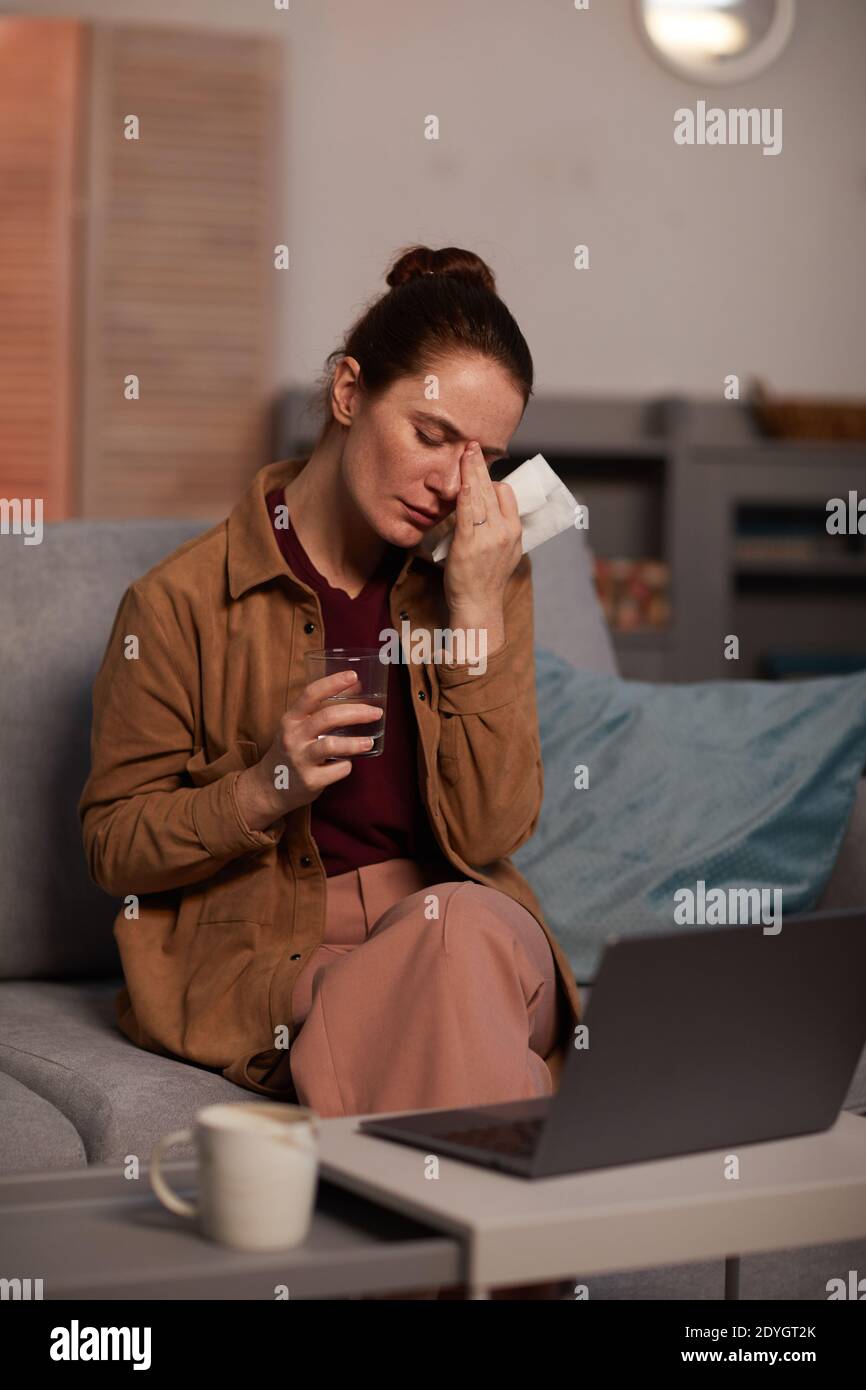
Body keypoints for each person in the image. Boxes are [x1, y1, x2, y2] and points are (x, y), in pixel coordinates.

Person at [79, 244, 582, 1299]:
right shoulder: (176, 606)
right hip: (286, 959)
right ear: (349, 391)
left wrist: (478, 612)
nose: (455, 484)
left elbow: (491, 835)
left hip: (467, 928)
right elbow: (113, 844)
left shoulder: (480, 574)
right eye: (432, 434)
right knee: (406, 1008)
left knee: (451, 935)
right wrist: (263, 786)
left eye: (483, 455)